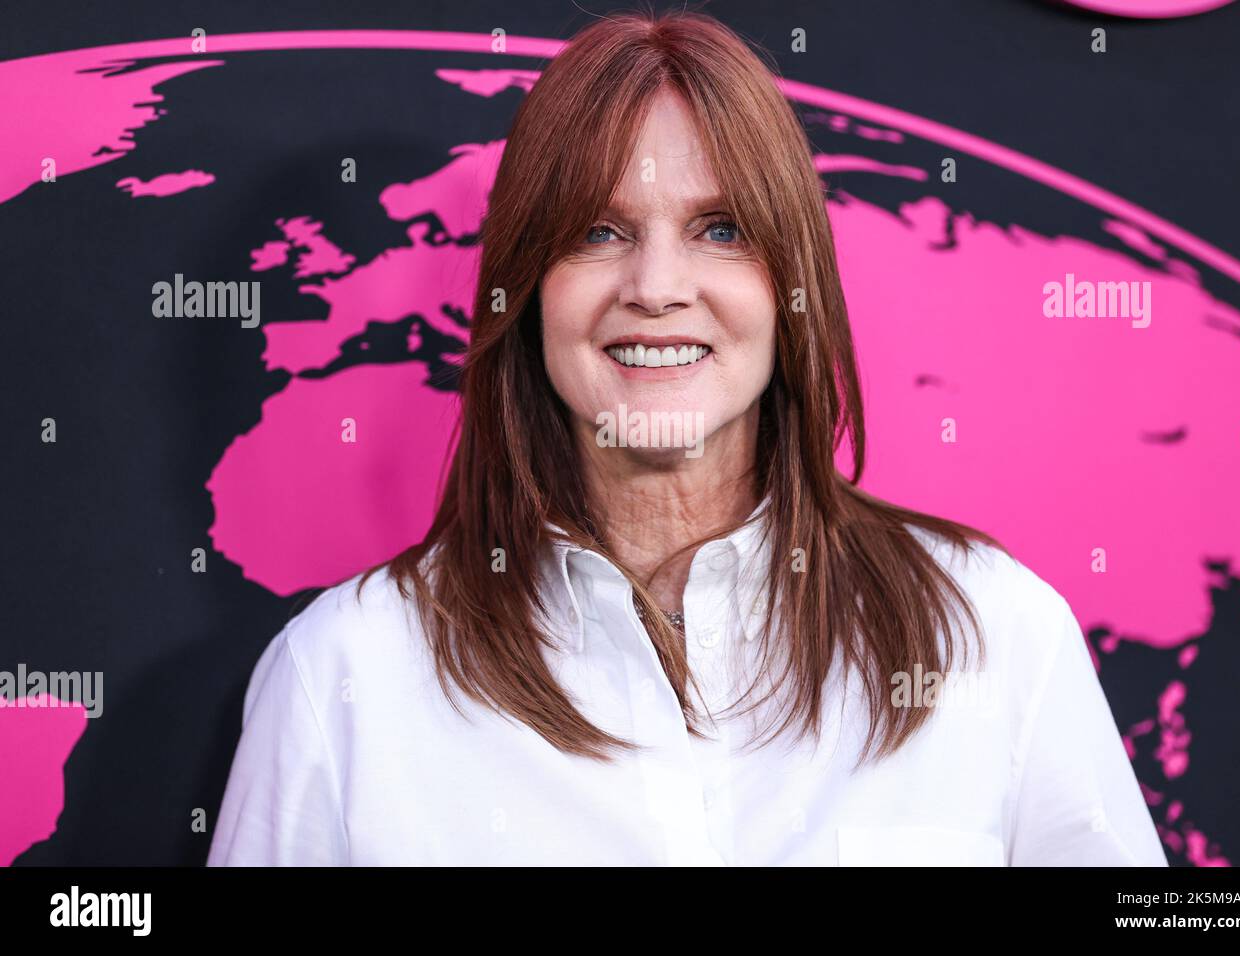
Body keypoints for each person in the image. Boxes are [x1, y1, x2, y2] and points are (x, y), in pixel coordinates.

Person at [207, 10, 1166, 866]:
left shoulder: (995, 635)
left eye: (718, 228)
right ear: (527, 286)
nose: (658, 285)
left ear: (792, 283)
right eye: (596, 231)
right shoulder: (342, 679)